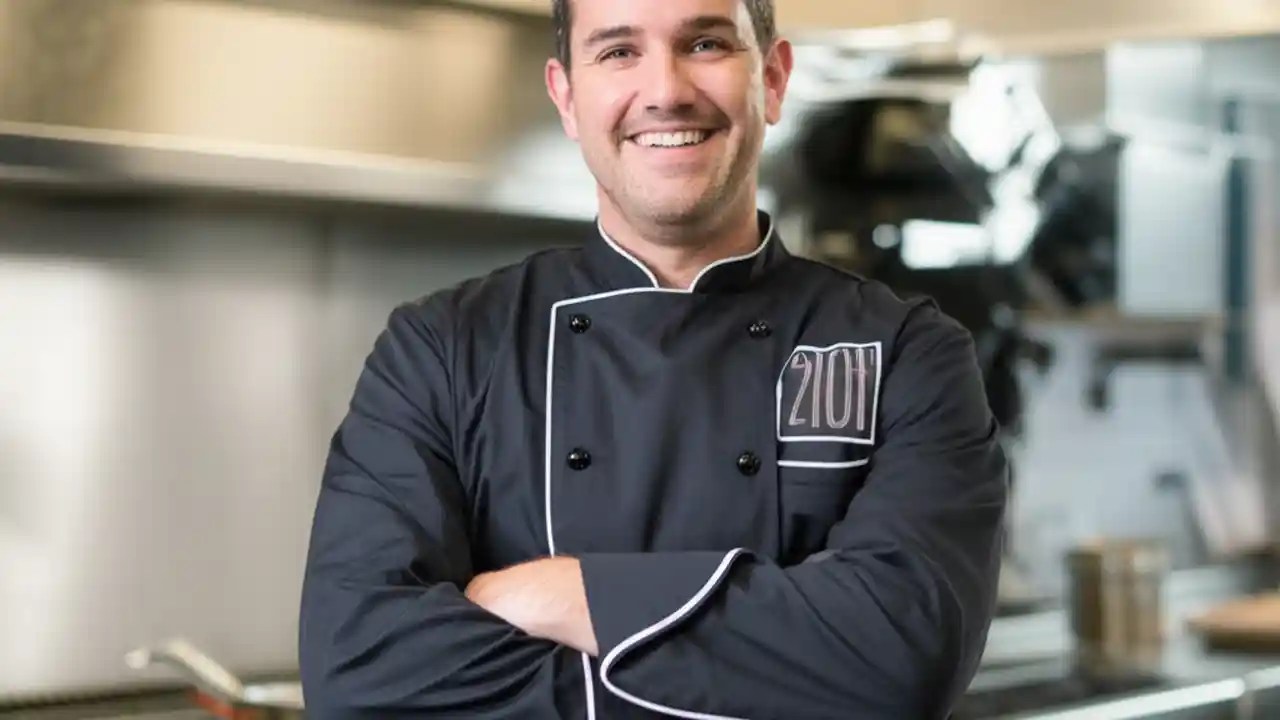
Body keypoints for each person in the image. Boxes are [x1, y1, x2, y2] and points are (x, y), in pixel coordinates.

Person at [297, 0, 1008, 717]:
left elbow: (905, 655)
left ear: (773, 79)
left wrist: (568, 597)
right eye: (618, 52)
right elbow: (359, 673)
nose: (666, 90)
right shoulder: (443, 349)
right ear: (567, 97)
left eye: (705, 44)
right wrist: (773, 676)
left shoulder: (908, 354)